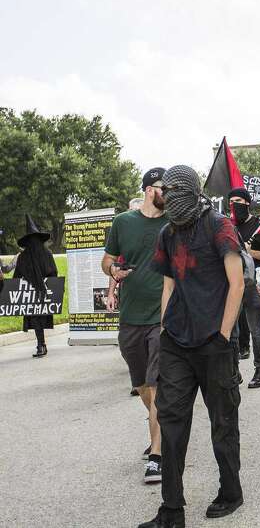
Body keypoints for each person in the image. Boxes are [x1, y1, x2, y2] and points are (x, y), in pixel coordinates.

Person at [140, 165, 245, 527]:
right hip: (178, 341)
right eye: (161, 192)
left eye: (169, 191)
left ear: (186, 190)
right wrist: (164, 327)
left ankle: (231, 491)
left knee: (223, 420)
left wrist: (223, 335)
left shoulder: (219, 226)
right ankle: (171, 510)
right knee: (170, 420)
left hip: (215, 342)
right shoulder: (168, 233)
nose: (164, 197)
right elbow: (169, 285)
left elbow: (237, 283)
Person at [102, 167, 168, 484]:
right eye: (161, 187)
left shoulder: (174, 223)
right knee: (142, 387)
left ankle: (157, 456)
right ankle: (157, 428)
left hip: (162, 318)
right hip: (131, 318)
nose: (166, 192)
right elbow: (108, 261)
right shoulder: (122, 223)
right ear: (147, 190)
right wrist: (114, 272)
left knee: (156, 387)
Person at [226, 187, 260, 388]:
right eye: (231, 201)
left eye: (238, 201)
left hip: (255, 283)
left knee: (256, 329)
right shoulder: (225, 225)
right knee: (231, 330)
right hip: (232, 284)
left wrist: (248, 250)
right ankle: (233, 371)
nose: (234, 205)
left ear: (247, 203)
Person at [13, 215, 58, 359]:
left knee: (36, 318)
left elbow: (16, 277)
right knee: (39, 318)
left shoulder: (23, 257)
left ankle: (41, 344)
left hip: (31, 294)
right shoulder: (47, 254)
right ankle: (41, 344)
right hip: (44, 293)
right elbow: (53, 273)